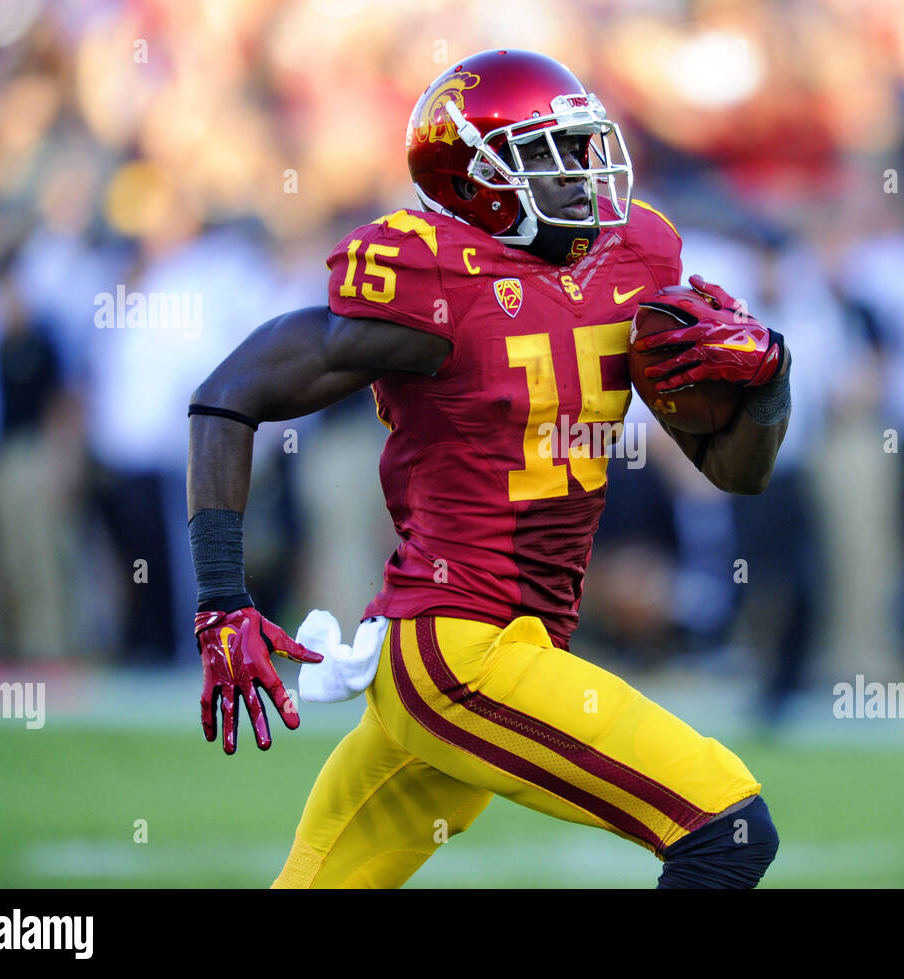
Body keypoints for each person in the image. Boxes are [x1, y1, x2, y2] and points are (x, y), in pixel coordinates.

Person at [186, 50, 791, 888]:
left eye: (582, 148)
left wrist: (769, 381)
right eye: (550, 154)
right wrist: (222, 599)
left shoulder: (634, 259)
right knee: (725, 830)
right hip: (455, 653)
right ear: (480, 179)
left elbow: (736, 471)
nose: (581, 174)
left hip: (511, 646)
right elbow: (226, 397)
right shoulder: (434, 278)